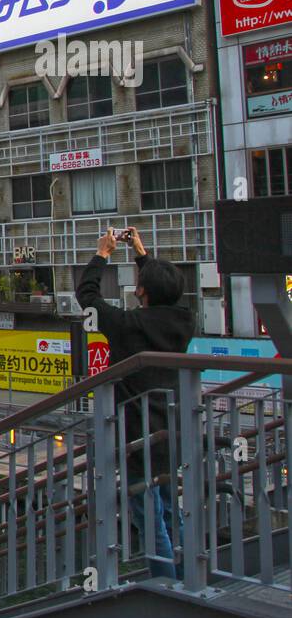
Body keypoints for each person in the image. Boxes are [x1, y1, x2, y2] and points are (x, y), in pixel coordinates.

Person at [77, 226, 192, 580]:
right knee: (171, 509)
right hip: (173, 429)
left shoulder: (128, 325)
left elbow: (88, 296)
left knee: (148, 515)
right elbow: (162, 294)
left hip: (136, 433)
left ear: (141, 291)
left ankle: (166, 583)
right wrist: (142, 255)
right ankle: (188, 575)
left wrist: (103, 253)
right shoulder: (184, 322)